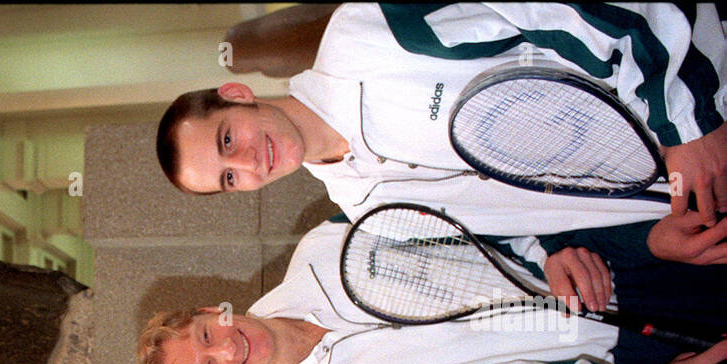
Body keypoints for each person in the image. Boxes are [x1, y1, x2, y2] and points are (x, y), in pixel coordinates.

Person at [158, 4, 727, 291]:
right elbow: (532, 227)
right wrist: (646, 238)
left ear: (236, 95)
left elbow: (541, 11)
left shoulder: (361, 34)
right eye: (229, 177)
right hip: (700, 201)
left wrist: (683, 116)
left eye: (227, 140)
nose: (247, 162)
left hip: (707, 100)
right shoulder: (370, 215)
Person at [137, 220, 727, 364]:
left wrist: (547, 248)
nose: (226, 348)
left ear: (215, 309)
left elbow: (471, 216)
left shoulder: (321, 247)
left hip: (611, 279)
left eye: (207, 333)